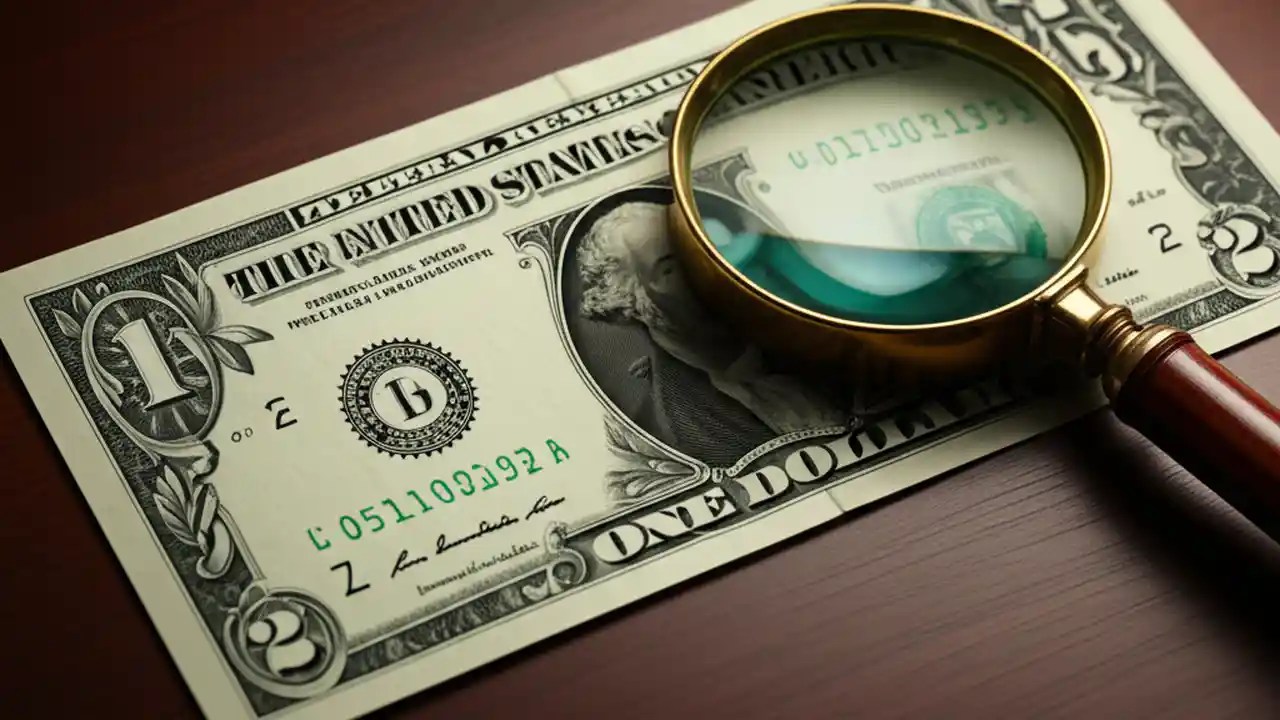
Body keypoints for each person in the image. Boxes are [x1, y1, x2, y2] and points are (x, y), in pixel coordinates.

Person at [576, 200, 849, 466]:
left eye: (699, 247)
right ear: (628, 301)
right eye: (669, 268)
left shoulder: (818, 332)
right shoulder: (667, 428)